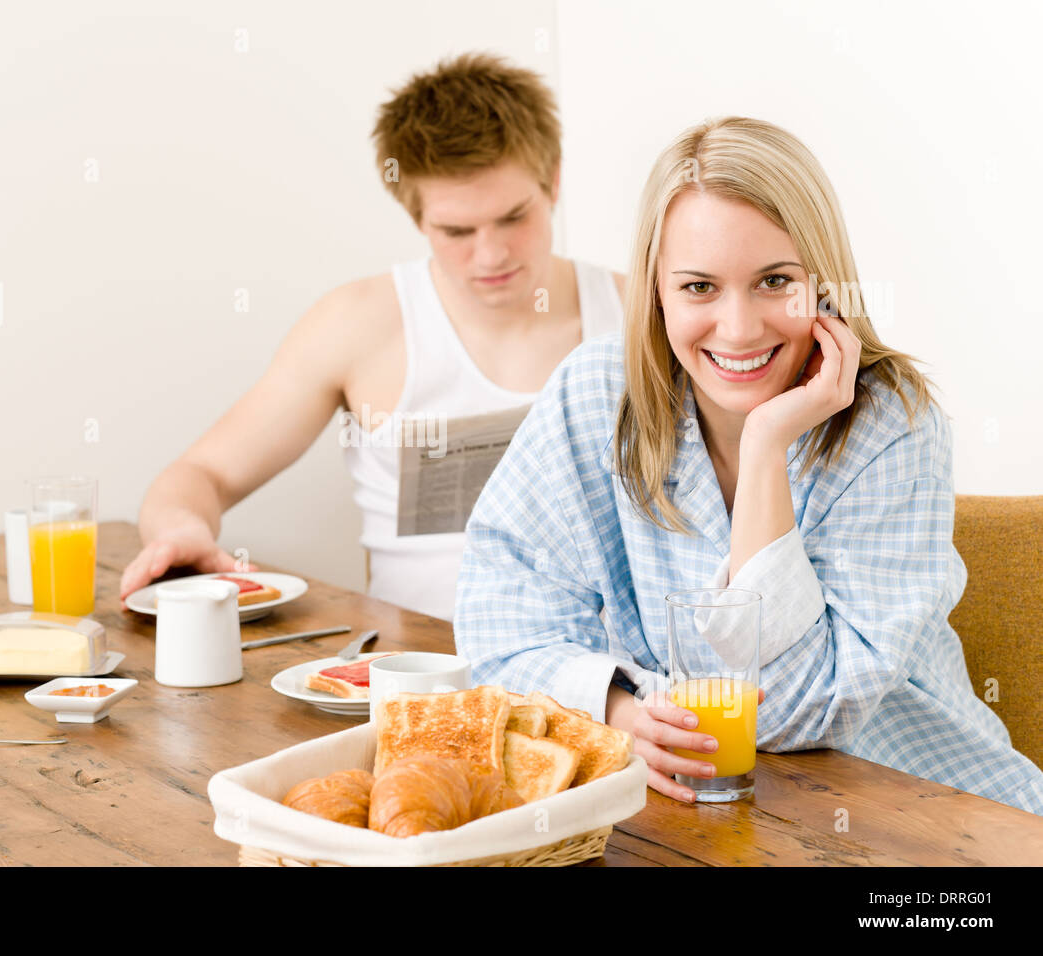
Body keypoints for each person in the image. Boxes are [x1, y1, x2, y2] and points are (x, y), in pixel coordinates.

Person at [454, 116, 1043, 815]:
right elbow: (497, 621)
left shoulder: (895, 424)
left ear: (822, 281)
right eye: (699, 287)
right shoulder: (595, 395)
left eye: (774, 281)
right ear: (657, 292)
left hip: (922, 809)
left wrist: (766, 448)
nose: (738, 329)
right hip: (693, 815)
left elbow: (796, 713)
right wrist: (615, 709)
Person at [120, 53, 624, 620]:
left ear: (552, 180)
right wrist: (180, 531)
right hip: (416, 673)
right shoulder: (357, 324)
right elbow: (201, 475)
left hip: (603, 679)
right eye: (456, 230)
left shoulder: (640, 314)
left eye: (513, 217)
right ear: (415, 218)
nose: (491, 255)